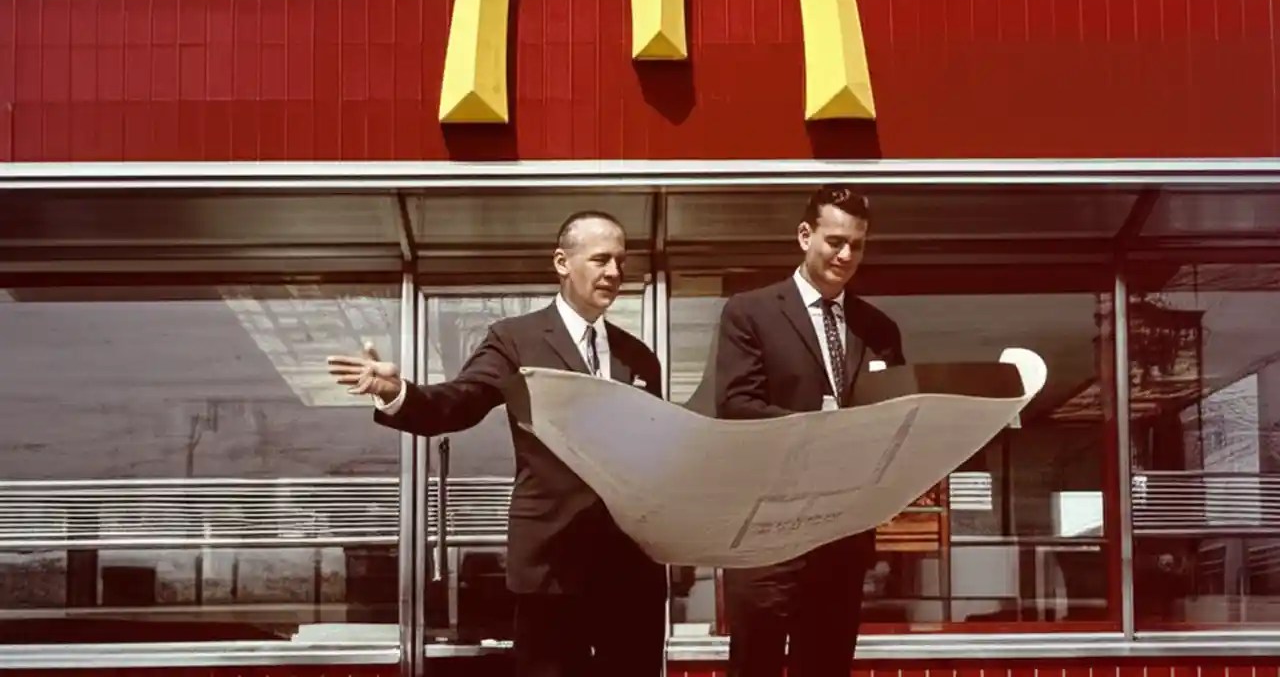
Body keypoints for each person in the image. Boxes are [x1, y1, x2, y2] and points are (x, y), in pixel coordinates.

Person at [327, 211, 666, 677]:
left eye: (620, 262)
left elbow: (658, 449)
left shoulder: (639, 356)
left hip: (631, 574)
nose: (613, 272)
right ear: (562, 262)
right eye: (601, 259)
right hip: (551, 566)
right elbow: (459, 402)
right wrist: (397, 391)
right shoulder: (516, 339)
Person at [713, 185, 906, 677]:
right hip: (768, 535)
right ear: (805, 235)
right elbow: (736, 407)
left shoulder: (879, 328)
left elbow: (894, 417)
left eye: (857, 245)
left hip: (843, 533)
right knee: (755, 667)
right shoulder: (749, 312)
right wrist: (817, 428)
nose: (846, 255)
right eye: (835, 241)